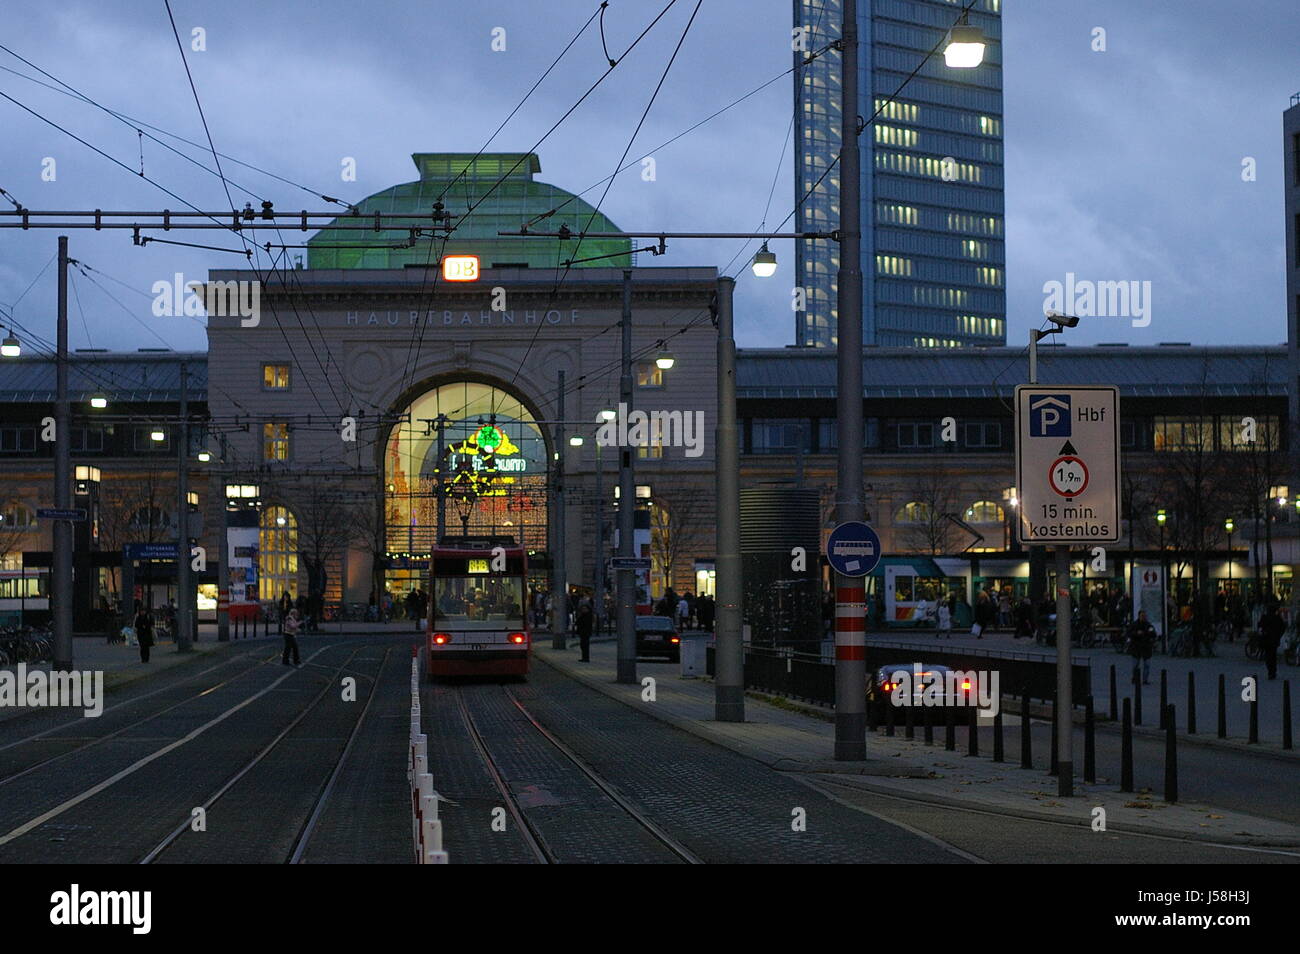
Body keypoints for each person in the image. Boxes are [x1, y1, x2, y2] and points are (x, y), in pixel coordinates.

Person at [1126, 609, 1157, 686]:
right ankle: (1135, 678)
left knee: (1147, 665)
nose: (1144, 617)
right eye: (1142, 616)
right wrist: (1136, 633)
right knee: (1135, 665)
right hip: (1136, 647)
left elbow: (1154, 634)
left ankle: (1145, 680)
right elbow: (1129, 633)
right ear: (1139, 616)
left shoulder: (1148, 625)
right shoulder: (1134, 625)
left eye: (1144, 616)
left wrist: (1149, 633)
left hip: (1146, 647)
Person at [1259, 604, 1286, 680]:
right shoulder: (1277, 618)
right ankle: (1273, 671)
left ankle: (1270, 671)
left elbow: (1260, 626)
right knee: (1273, 656)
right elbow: (1283, 627)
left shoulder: (1265, 617)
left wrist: (1263, 632)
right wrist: (1279, 635)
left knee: (1268, 656)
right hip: (1274, 640)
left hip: (1266, 639)